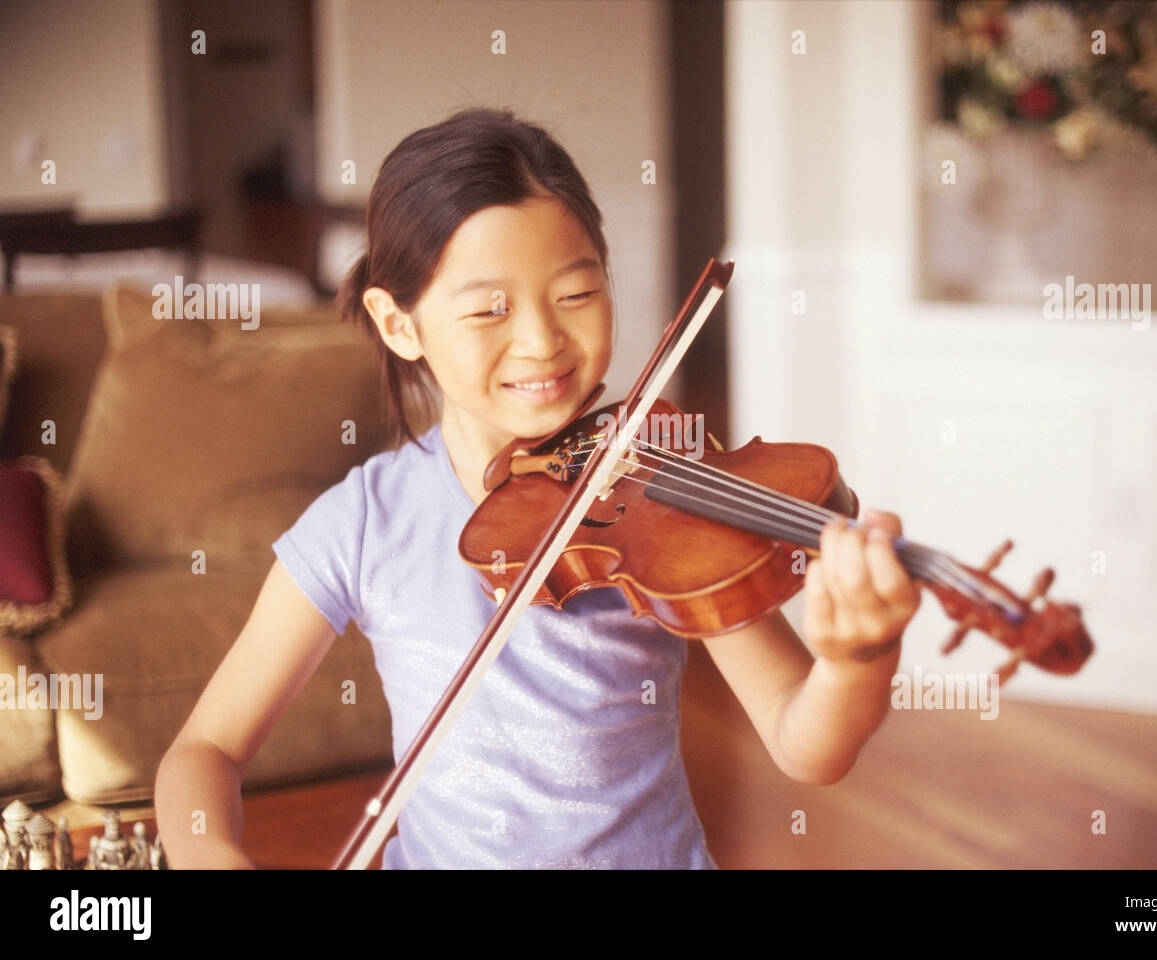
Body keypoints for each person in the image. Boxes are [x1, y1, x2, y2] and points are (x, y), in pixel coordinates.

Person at [154, 107, 921, 869]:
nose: (542, 341)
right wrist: (210, 854)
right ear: (398, 324)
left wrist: (857, 664)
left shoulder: (656, 501)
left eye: (576, 295)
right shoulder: (362, 523)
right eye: (490, 308)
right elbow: (204, 751)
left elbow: (803, 744)